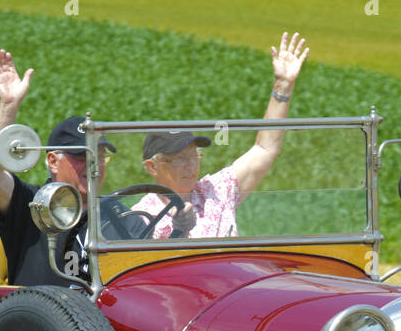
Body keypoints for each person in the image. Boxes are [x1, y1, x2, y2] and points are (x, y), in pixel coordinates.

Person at [130, 31, 311, 240]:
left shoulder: (217, 190)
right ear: (152, 167)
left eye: (193, 156)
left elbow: (265, 149)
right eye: (179, 159)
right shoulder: (139, 219)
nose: (190, 166)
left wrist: (283, 87)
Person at [0, 51, 124, 285]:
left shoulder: (118, 213)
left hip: (107, 317)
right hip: (43, 317)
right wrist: (9, 105)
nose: (93, 164)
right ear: (53, 161)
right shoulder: (31, 204)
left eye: (100, 155)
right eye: (81, 156)